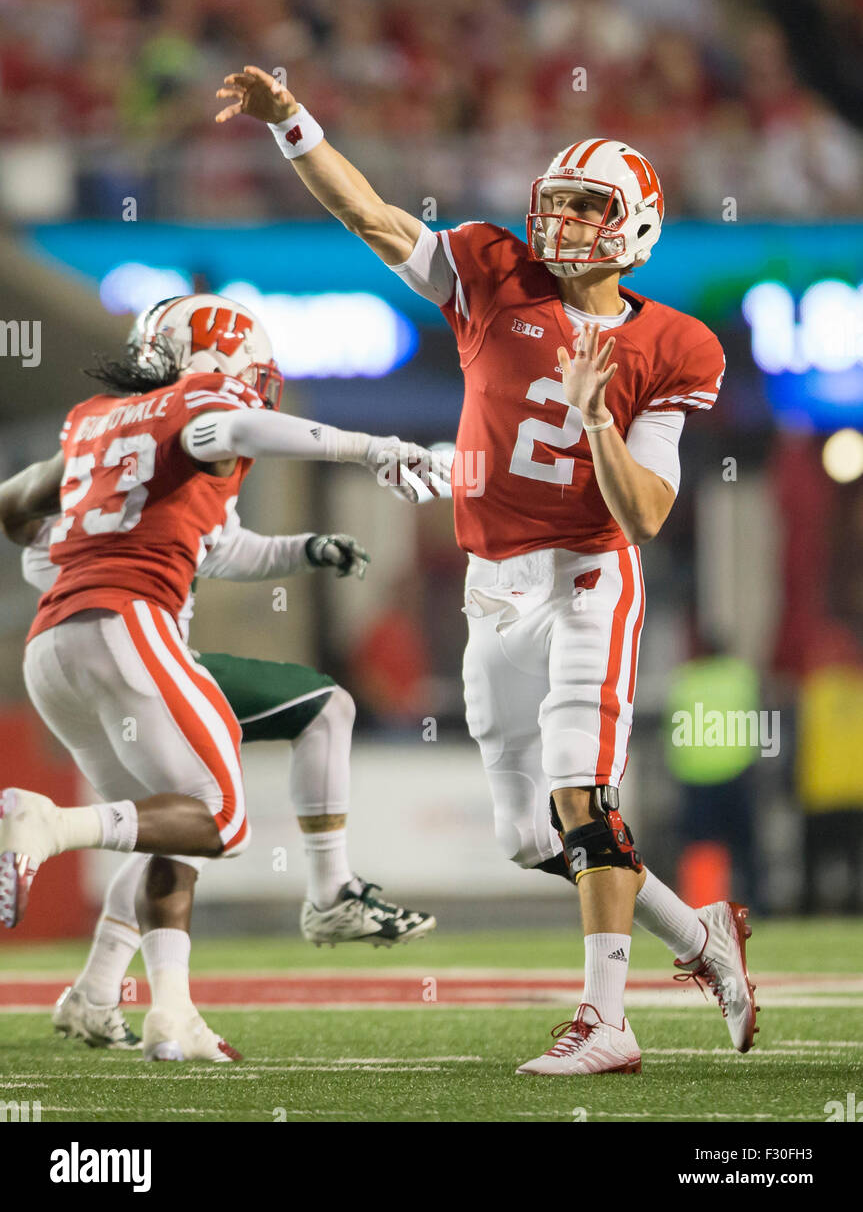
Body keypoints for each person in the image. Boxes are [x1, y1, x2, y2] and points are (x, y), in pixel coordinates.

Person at [215, 68, 758, 1075]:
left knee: (578, 793)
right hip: (490, 583)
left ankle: (606, 1022)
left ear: (635, 224)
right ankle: (701, 938)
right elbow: (372, 218)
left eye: (587, 209)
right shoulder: (489, 274)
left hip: (587, 577)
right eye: (554, 205)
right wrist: (291, 121)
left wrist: (596, 414)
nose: (562, 226)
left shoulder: (672, 344)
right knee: (524, 834)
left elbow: (642, 511)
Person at [0, 294, 448, 1062]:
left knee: (166, 821)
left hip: (55, 645)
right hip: (131, 627)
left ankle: (157, 1010)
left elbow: (15, 503)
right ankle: (50, 826)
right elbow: (233, 426)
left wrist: (55, 545)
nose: (256, 388)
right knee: (223, 821)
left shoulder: (95, 421)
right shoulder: (199, 401)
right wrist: (369, 448)